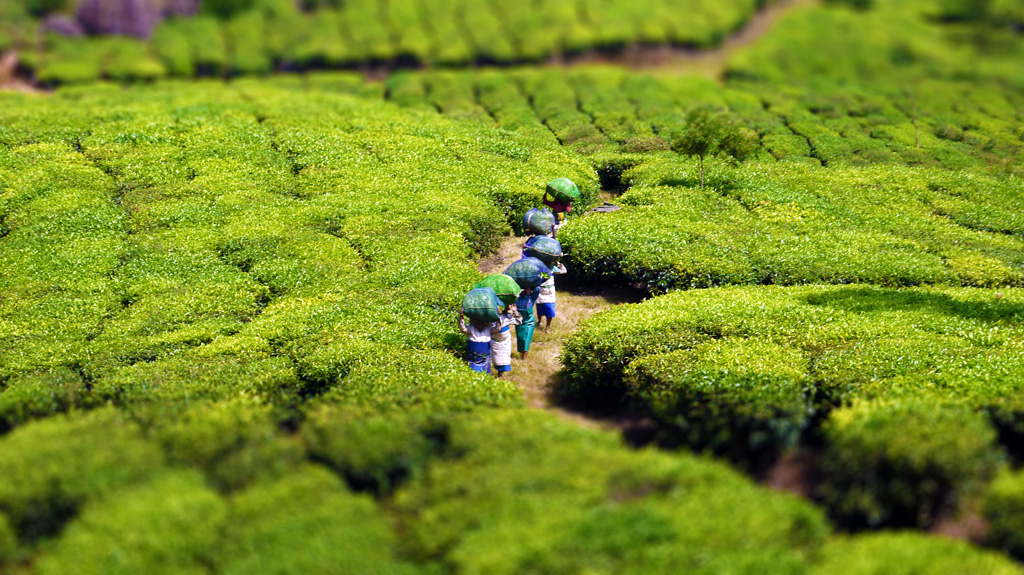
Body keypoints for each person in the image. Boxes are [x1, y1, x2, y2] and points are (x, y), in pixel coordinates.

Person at [490, 303, 522, 377]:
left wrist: (515, 311)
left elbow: (519, 321)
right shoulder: (490, 318)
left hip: (505, 341)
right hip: (494, 340)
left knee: (503, 355)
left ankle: (500, 374)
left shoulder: (506, 317)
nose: (498, 310)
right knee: (496, 356)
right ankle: (494, 372)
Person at [536, 261, 567, 333]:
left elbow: (564, 271)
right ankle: (539, 322)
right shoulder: (538, 268)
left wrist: (558, 264)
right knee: (540, 308)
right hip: (541, 291)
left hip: (549, 291)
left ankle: (547, 328)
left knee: (549, 309)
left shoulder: (552, 268)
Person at [514, 287, 540, 360]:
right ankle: (522, 352)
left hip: (529, 321)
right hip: (519, 320)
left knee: (527, 338)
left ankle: (524, 358)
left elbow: (538, 289)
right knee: (521, 337)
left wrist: (530, 289)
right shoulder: (517, 297)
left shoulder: (532, 297)